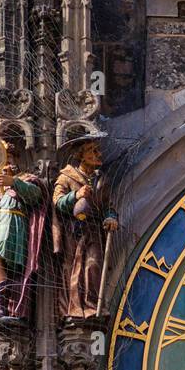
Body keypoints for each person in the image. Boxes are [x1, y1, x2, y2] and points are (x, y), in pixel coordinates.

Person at [52, 133, 119, 320]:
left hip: (95, 230)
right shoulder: (66, 176)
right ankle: (76, 308)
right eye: (92, 151)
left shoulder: (101, 180)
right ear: (81, 155)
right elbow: (57, 202)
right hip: (74, 232)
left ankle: (92, 305)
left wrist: (110, 218)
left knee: (94, 265)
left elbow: (108, 206)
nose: (98, 154)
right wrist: (76, 195)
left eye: (98, 150)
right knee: (77, 268)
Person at [0, 141, 46, 323]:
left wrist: (14, 182)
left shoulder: (25, 180)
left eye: (8, 159)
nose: (5, 165)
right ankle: (1, 306)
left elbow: (36, 195)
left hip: (13, 228)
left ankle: (1, 306)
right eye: (3, 160)